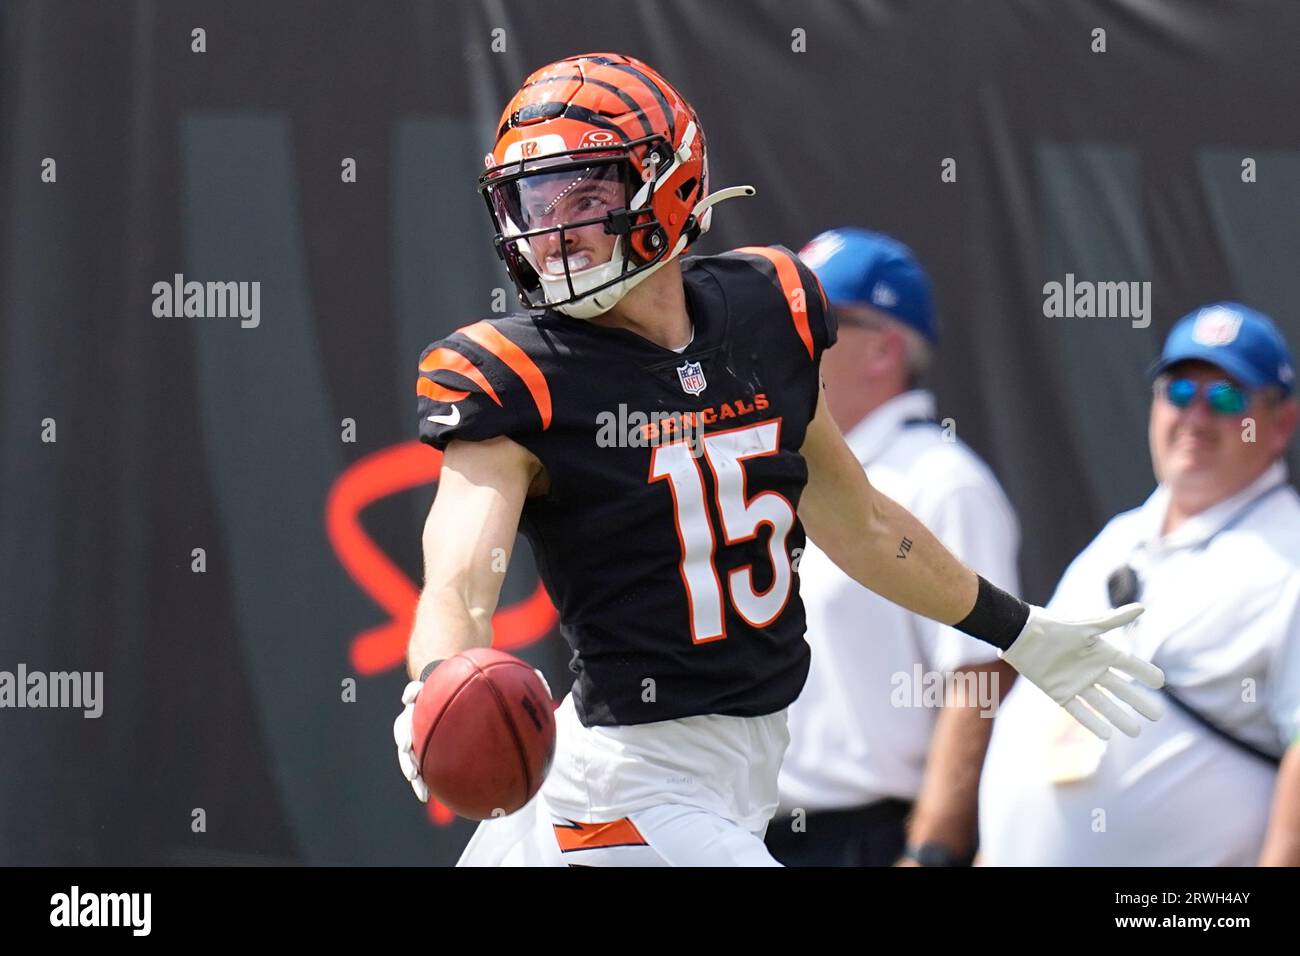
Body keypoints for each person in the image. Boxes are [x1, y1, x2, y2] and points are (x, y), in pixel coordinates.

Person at [390, 52, 1164, 867]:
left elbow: (856, 521)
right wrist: (438, 680)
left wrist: (1017, 629)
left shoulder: (765, 310)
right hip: (621, 789)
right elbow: (459, 580)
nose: (556, 228)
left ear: (670, 181)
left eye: (586, 195)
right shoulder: (519, 376)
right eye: (534, 201)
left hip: (719, 783)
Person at [979, 303, 1300, 866]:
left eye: (1226, 398)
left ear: (1281, 425)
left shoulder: (1289, 554)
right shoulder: (1119, 536)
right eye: (1179, 393)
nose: (1196, 417)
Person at [767, 229, 1019, 867]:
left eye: (813, 320)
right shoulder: (784, 472)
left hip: (870, 842)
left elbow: (980, 682)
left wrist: (931, 851)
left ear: (883, 349)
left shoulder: (943, 482)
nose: (785, 339)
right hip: (755, 834)